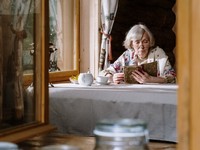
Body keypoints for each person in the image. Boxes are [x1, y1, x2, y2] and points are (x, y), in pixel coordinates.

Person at [99, 24, 176, 84]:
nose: (141, 46)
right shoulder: (127, 55)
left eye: (145, 42)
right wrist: (112, 78)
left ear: (150, 43)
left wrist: (152, 79)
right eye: (137, 42)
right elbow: (103, 73)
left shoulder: (158, 53)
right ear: (131, 44)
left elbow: (173, 77)